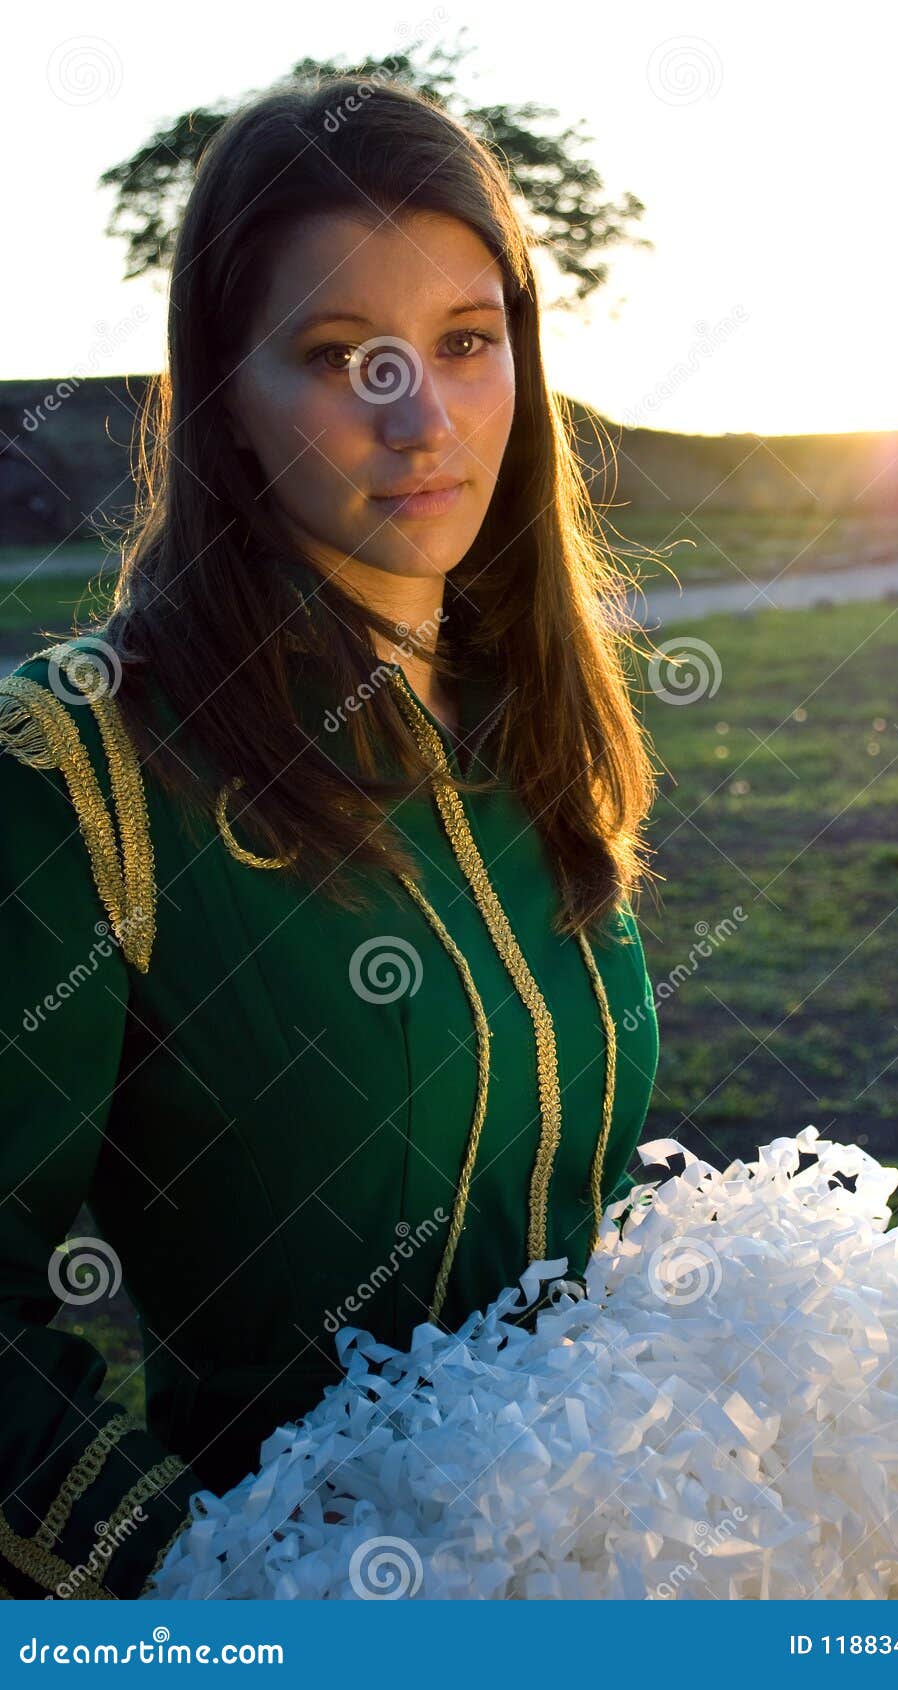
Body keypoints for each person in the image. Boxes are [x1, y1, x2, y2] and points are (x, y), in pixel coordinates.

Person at [0, 76, 662, 1600]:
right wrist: (227, 1575)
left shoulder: (530, 721)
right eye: (337, 355)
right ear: (225, 392)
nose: (424, 417)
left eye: (466, 342)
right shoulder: (76, 771)